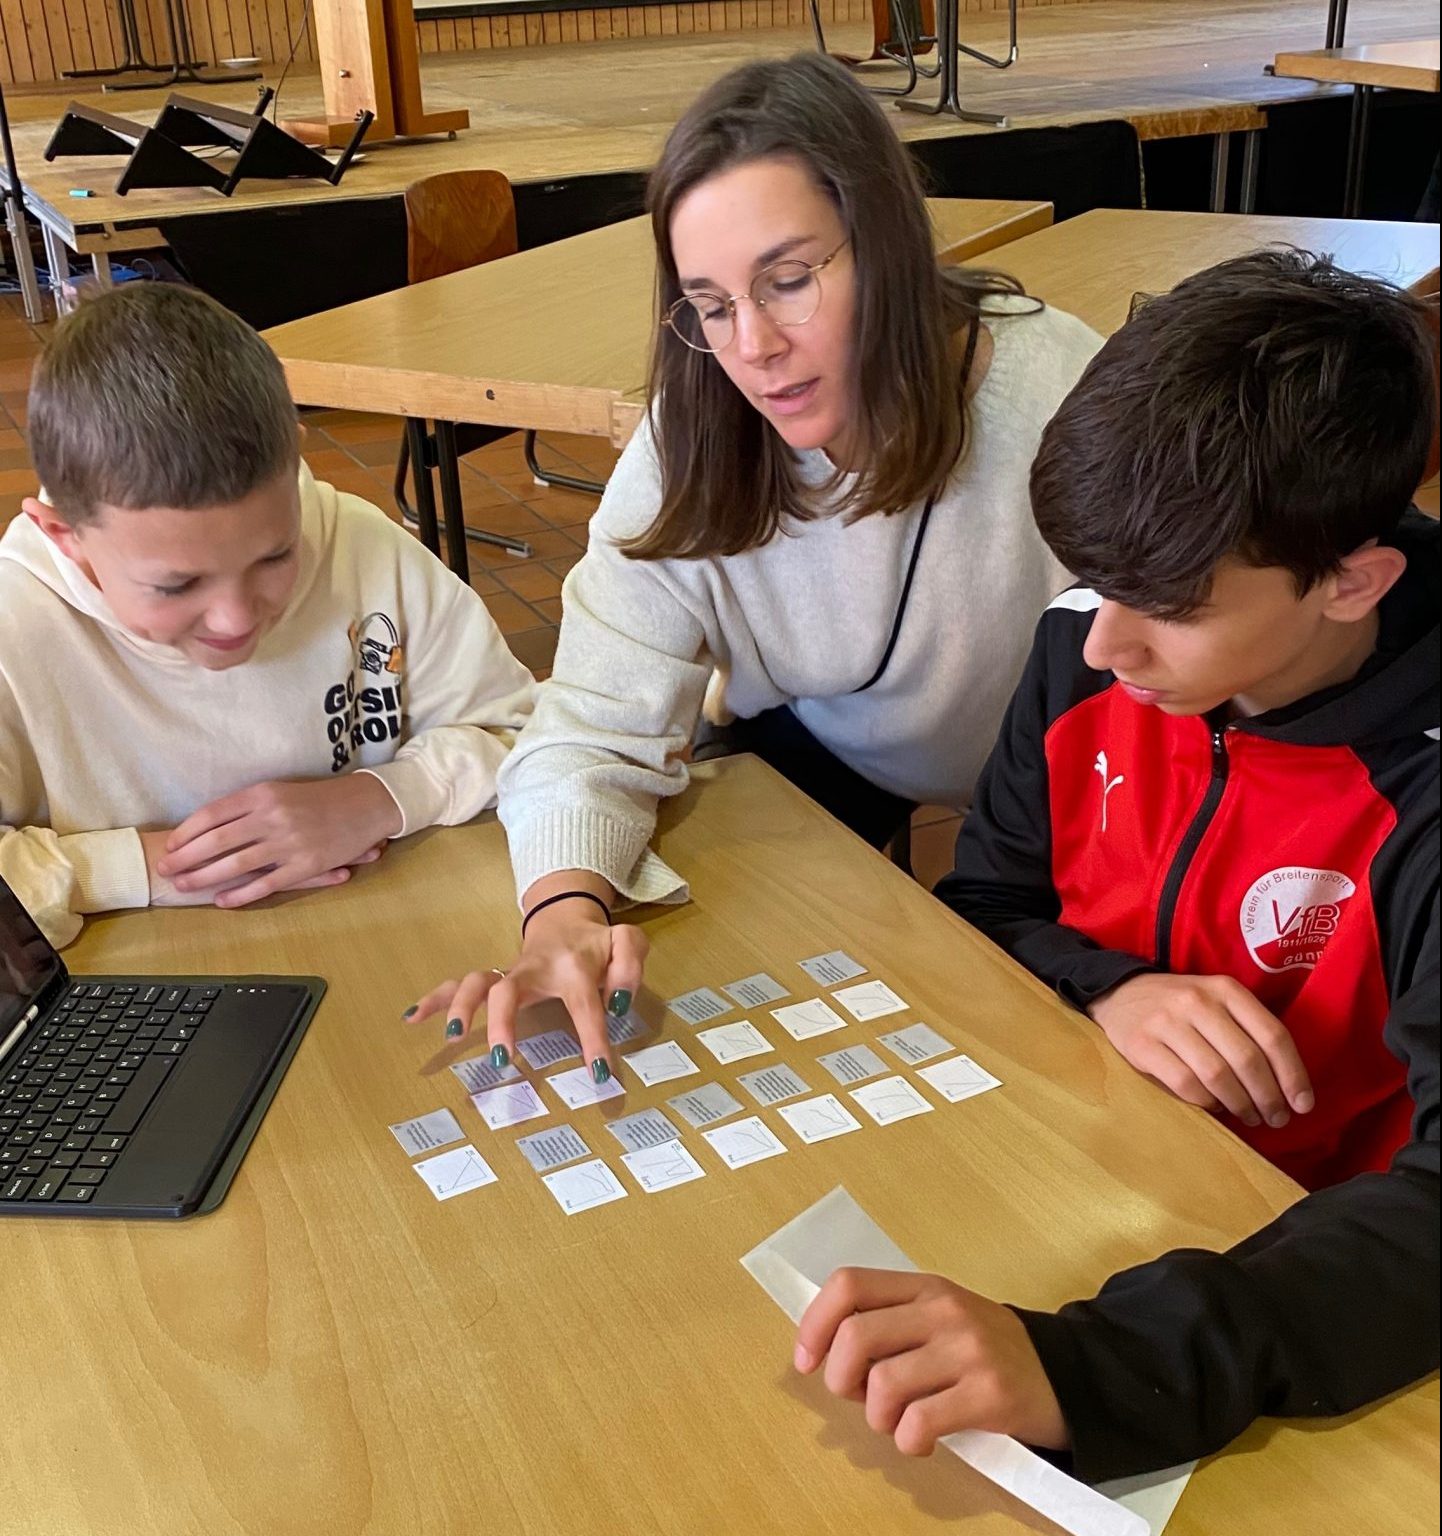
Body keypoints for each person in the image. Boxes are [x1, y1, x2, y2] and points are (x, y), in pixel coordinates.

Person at [795, 252, 1440, 1481]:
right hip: (1088, 1187)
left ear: (1351, 582)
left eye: (1168, 605)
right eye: (1093, 582)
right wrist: (1108, 987)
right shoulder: (1089, 650)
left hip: (1313, 1289)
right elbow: (982, 903)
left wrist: (1102, 1370)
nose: (1101, 644)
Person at [406, 53, 1101, 1070]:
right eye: (711, 303)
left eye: (787, 281)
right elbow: (589, 718)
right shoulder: (693, 432)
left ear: (889, 247)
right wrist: (559, 912)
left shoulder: (1056, 395)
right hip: (830, 743)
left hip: (1064, 779)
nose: (753, 346)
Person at [0, 283, 536, 948]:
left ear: (296, 461)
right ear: (63, 538)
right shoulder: (13, 625)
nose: (233, 619)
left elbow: (525, 732)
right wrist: (160, 865)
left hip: (384, 936)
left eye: (277, 555)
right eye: (176, 585)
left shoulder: (365, 548)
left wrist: (384, 797)